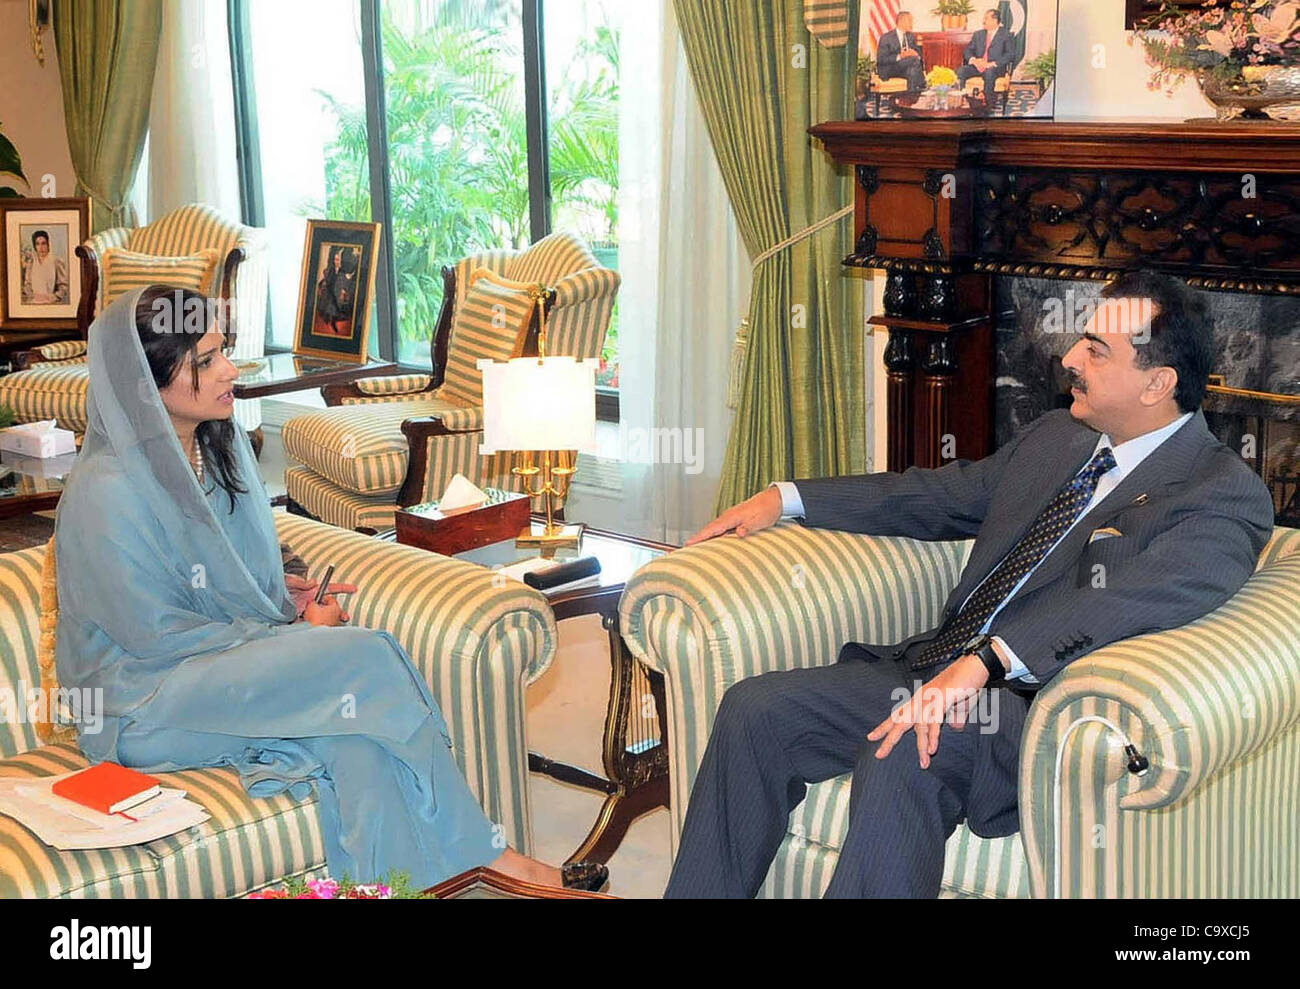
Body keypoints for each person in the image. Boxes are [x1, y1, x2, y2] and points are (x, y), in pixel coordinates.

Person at [664, 270, 1274, 898]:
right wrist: (786, 499)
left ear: (1158, 383)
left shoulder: (1217, 493)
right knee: (754, 710)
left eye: (1095, 349)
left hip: (1026, 712)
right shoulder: (1061, 437)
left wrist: (988, 661)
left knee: (905, 751)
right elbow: (941, 496)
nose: (1069, 359)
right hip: (932, 669)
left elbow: (1132, 597)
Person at [53, 284, 608, 893]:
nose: (230, 370)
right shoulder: (105, 491)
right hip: (143, 702)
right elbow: (155, 635)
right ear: (146, 384)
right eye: (206, 361)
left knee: (359, 747)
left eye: (223, 351)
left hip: (220, 673)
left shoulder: (221, 446)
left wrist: (287, 595)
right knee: (365, 656)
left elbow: (237, 567)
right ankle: (497, 859)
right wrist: (291, 636)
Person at [956, 8, 1014, 98]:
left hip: (995, 68)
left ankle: (987, 103)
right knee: (960, 71)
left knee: (989, 73)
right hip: (978, 66)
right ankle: (963, 98)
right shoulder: (978, 34)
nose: (983, 21)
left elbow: (1010, 54)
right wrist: (974, 60)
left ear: (994, 20)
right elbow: (968, 50)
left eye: (986, 18)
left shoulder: (1006, 35)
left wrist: (992, 64)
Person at [875, 10, 925, 92]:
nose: (912, 23)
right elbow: (881, 59)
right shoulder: (886, 38)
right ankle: (922, 84)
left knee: (912, 71)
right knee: (913, 61)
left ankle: (910, 96)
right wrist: (900, 56)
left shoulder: (910, 37)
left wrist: (916, 54)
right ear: (901, 21)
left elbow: (919, 55)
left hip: (905, 69)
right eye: (910, 20)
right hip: (890, 68)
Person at [22, 229, 69, 305]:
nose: (41, 247)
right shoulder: (31, 263)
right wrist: (32, 296)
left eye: (43, 243)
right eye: (37, 244)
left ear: (48, 244)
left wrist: (54, 297)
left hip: (51, 303)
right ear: (35, 246)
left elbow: (63, 286)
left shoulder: (56, 262)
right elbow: (27, 285)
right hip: (34, 302)